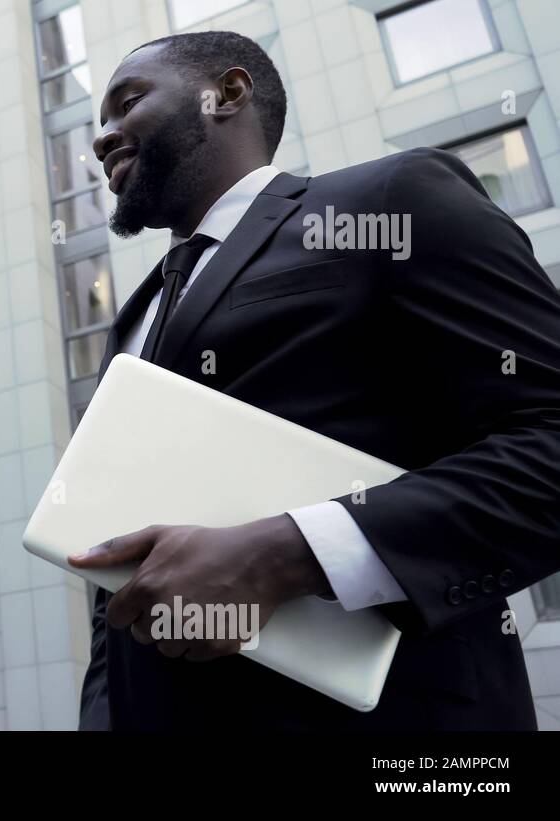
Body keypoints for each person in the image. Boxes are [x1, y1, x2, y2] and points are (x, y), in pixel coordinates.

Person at [72, 31, 560, 730]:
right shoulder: (133, 319)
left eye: (127, 102)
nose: (104, 137)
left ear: (228, 93)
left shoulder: (387, 202)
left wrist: (292, 552)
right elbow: (115, 567)